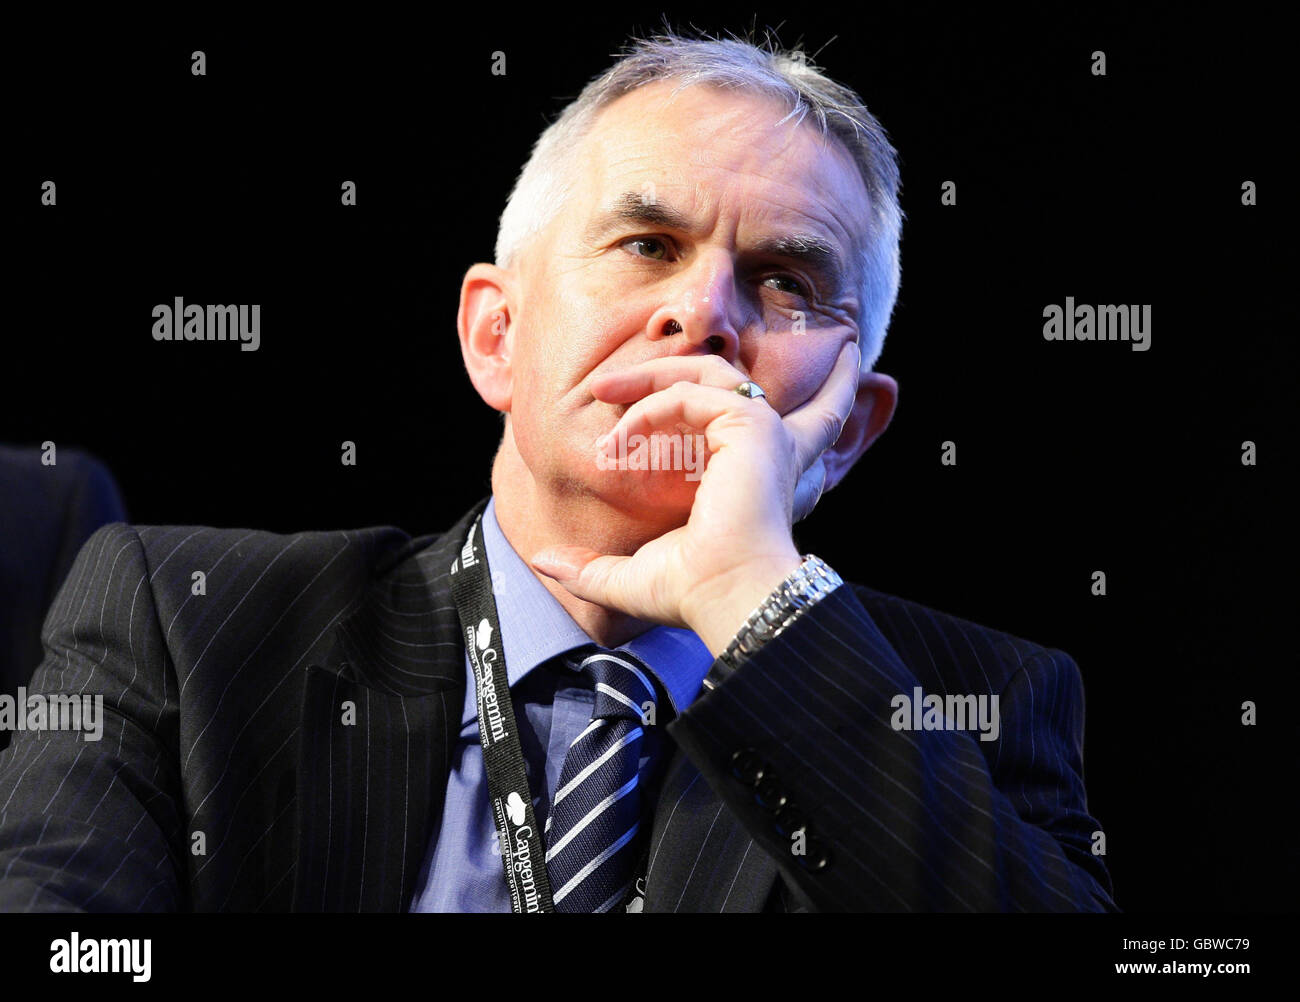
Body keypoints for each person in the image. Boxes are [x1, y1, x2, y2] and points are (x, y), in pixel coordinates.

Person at [0, 33, 1114, 912]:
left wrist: (754, 608)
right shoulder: (185, 627)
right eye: (648, 247)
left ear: (851, 429)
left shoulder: (984, 709)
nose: (703, 316)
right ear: (496, 336)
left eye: (783, 282)